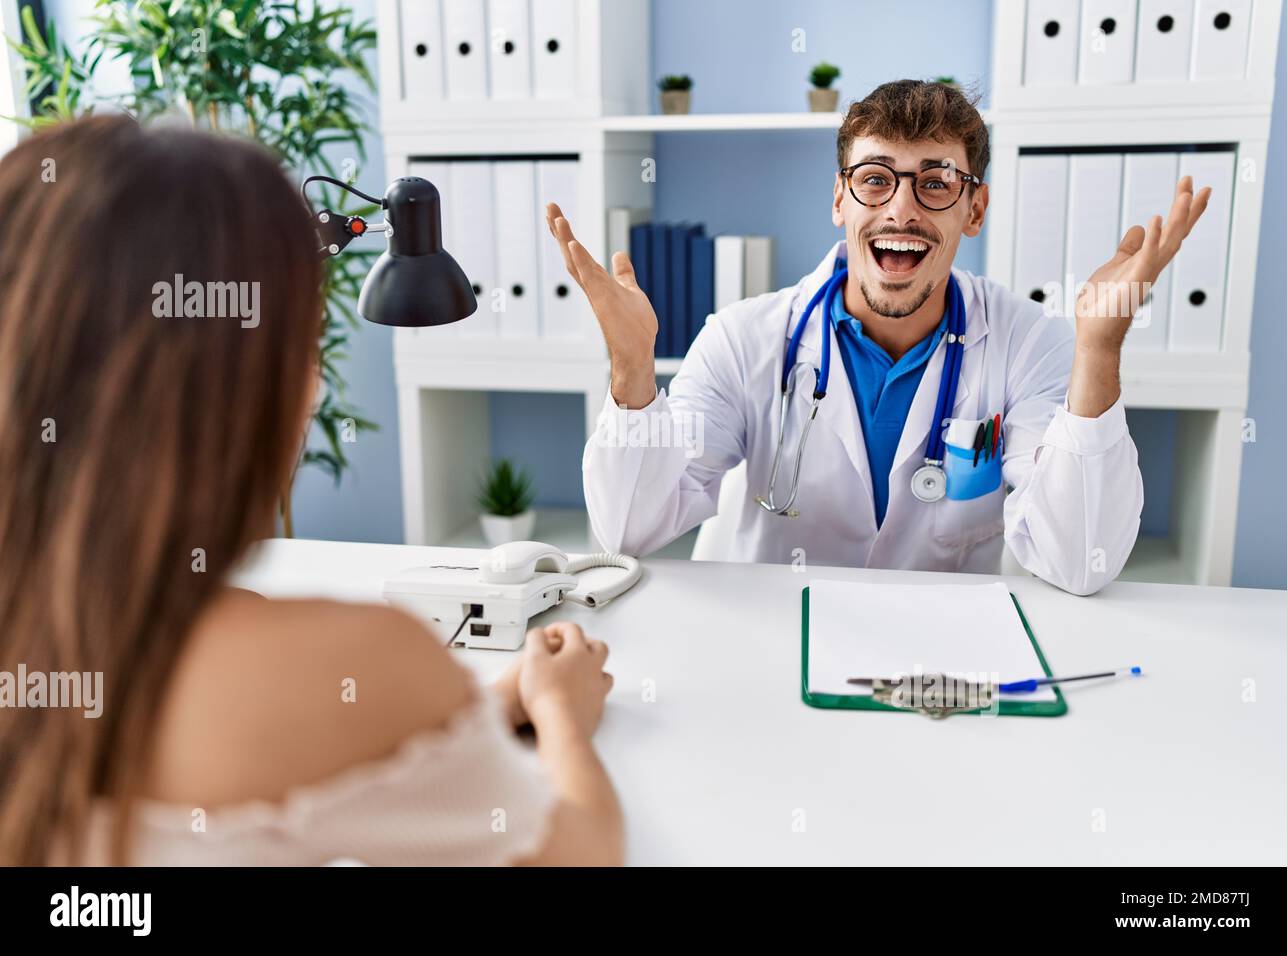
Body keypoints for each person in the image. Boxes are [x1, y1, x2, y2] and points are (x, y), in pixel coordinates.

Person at [0, 115, 621, 866]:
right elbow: (581, 852)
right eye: (303, 342)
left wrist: (459, 722)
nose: (317, 381)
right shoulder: (336, 665)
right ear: (238, 390)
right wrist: (560, 713)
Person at [547, 79, 1210, 596]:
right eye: (875, 179)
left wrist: (1098, 348)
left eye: (935, 182)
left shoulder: (1025, 343)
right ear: (840, 199)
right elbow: (629, 529)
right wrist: (632, 368)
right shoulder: (742, 338)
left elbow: (1081, 562)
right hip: (760, 654)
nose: (902, 207)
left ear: (974, 209)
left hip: (932, 667)